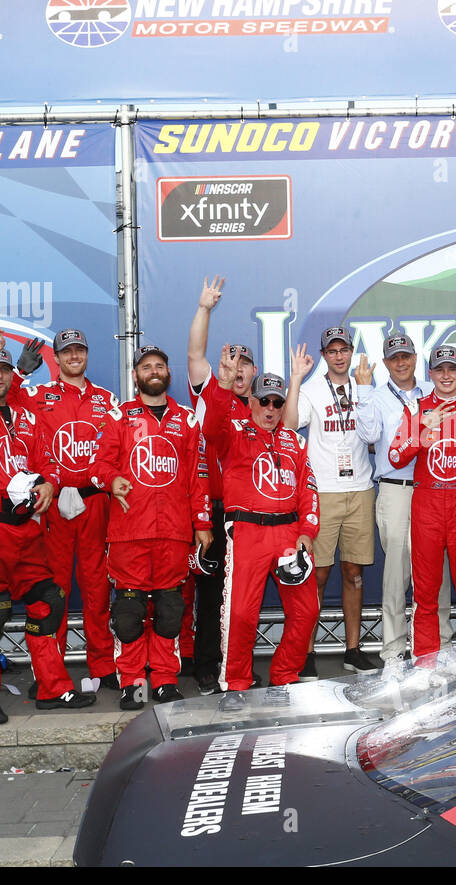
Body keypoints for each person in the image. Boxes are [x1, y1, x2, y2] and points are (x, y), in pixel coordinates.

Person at [0, 330, 93, 725]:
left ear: (13, 375)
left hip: (26, 528)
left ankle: (53, 688)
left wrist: (49, 483)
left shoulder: (26, 414)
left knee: (48, 602)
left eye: (5, 370)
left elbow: (48, 461)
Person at [91, 345, 211, 710]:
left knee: (170, 609)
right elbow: (97, 466)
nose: (154, 371)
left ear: (168, 373)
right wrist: (112, 480)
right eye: (146, 367)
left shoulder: (187, 420)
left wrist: (202, 523)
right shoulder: (119, 416)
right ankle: (132, 682)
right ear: (136, 375)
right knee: (128, 614)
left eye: (160, 365)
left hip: (174, 533)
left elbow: (198, 477)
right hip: (129, 532)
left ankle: (164, 679)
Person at [199, 367, 320, 691]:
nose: (270, 409)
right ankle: (236, 681)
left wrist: (307, 532)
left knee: (308, 610)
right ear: (251, 401)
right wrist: (223, 388)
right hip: (248, 532)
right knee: (240, 614)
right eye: (264, 401)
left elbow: (309, 489)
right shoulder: (234, 431)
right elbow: (211, 429)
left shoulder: (295, 440)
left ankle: (285, 674)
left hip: (289, 535)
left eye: (277, 403)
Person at [16, 329, 121, 691]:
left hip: (94, 502)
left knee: (96, 590)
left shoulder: (107, 400)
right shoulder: (37, 395)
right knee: (53, 591)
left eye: (80, 349)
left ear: (87, 355)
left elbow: (116, 451)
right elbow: (2, 404)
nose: (74, 356)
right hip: (53, 505)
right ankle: (49, 671)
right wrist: (20, 372)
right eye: (67, 351)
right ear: (56, 359)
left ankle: (104, 666)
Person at [352, 332, 455, 663]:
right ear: (385, 363)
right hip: (395, 489)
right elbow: (368, 435)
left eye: (406, 356)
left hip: (433, 488)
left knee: (436, 568)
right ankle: (394, 650)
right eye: (394, 358)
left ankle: (441, 641)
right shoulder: (377, 397)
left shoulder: (434, 391)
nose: (401, 362)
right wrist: (364, 389)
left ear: (415, 358)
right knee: (396, 572)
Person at [284, 327, 377, 676]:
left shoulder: (364, 386)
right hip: (323, 490)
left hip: (361, 488)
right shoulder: (310, 390)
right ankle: (306, 653)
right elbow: (291, 424)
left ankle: (353, 650)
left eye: (344, 349)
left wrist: (365, 389)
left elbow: (374, 433)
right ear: (324, 355)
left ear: (352, 351)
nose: (339, 356)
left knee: (354, 573)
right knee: (318, 575)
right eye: (332, 351)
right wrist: (295, 378)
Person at [388, 344, 456, 659]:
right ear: (429, 373)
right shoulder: (416, 408)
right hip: (427, 503)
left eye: (452, 369)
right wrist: (420, 430)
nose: (446, 375)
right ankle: (426, 661)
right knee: (426, 591)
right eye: (440, 369)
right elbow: (394, 454)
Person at [186, 275, 258, 693]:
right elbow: (195, 352)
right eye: (232, 362)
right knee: (211, 594)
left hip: (246, 513)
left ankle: (237, 664)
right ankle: (207, 665)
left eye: (245, 364)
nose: (238, 369)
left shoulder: (261, 409)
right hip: (211, 510)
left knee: (241, 595)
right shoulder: (209, 393)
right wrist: (205, 309)